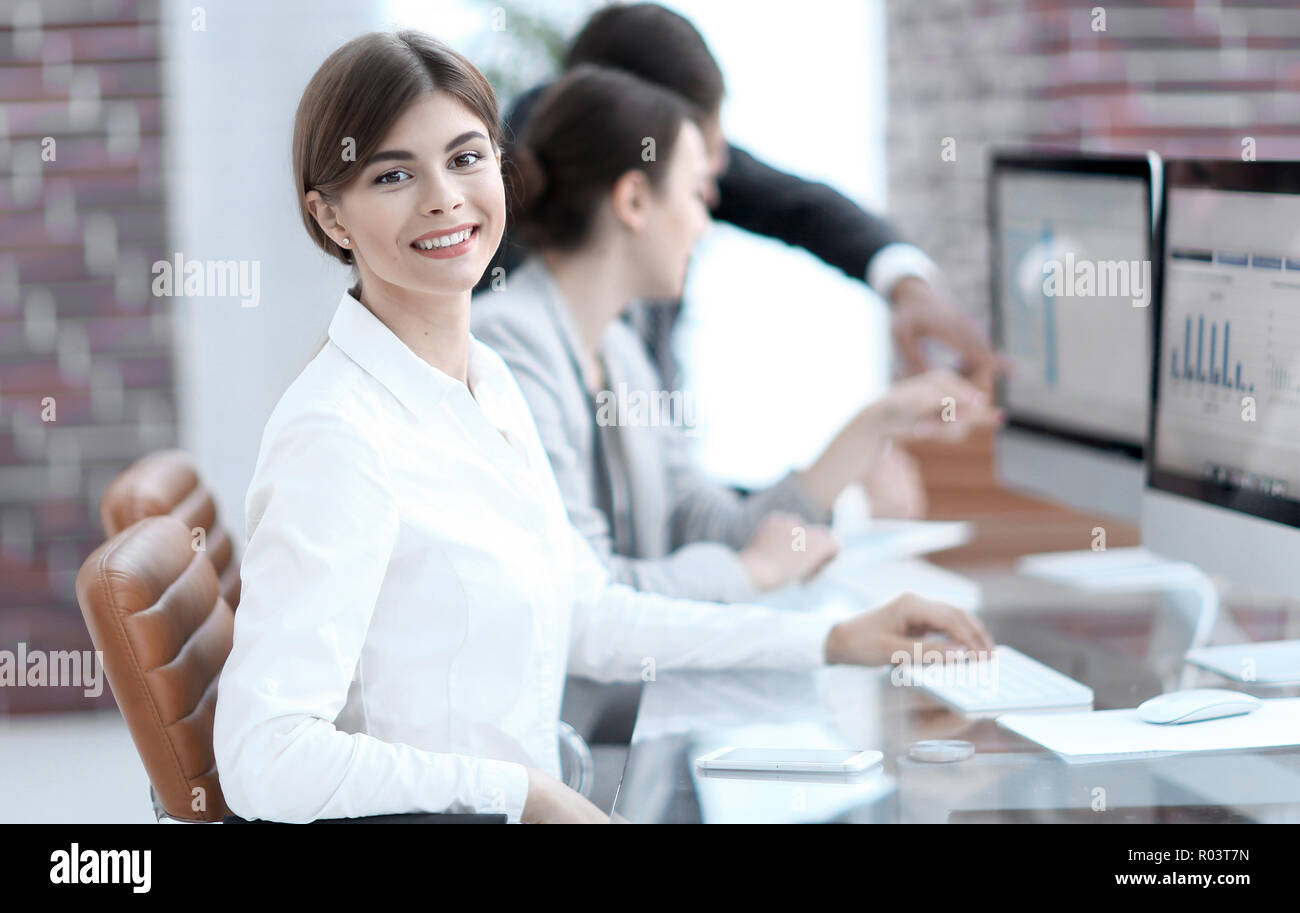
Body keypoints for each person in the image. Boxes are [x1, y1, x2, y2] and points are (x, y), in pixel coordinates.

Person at [212, 30, 993, 825]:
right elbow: (263, 759)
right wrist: (523, 794)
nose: (444, 196)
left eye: (466, 157)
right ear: (330, 217)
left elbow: (591, 614)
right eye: (393, 174)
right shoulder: (339, 436)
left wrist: (831, 636)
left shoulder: (488, 380)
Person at [473, 67, 1001, 604]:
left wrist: (877, 422)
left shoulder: (620, 352)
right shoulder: (509, 346)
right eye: (697, 195)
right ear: (634, 201)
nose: (705, 224)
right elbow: (586, 600)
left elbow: (712, 527)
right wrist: (751, 574)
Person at [479, 2, 1004, 392]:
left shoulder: (647, 157)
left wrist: (906, 285)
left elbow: (800, 206)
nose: (717, 184)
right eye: (703, 158)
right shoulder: (507, 324)